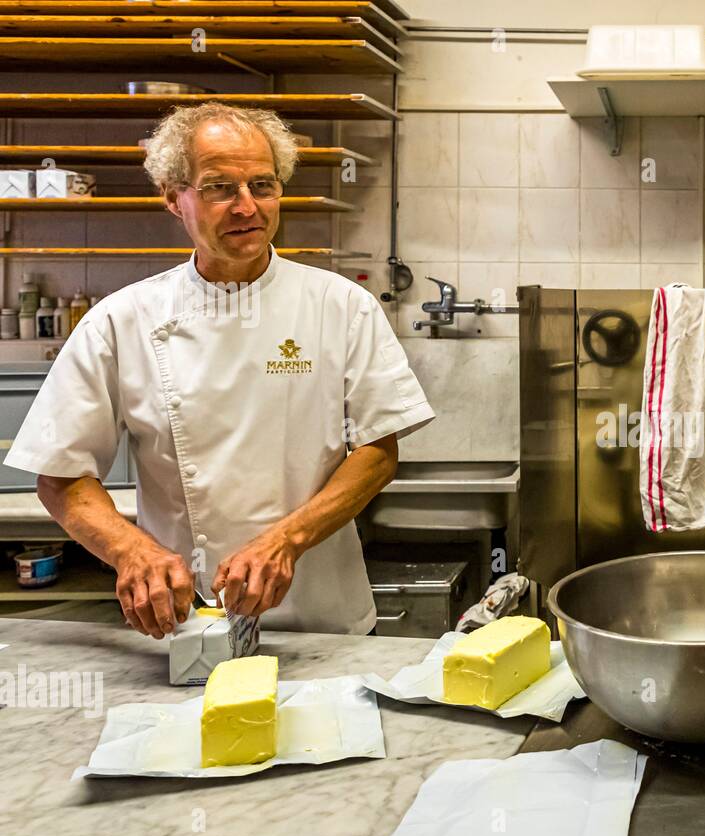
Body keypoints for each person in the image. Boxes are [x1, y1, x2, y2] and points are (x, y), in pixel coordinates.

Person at [4, 102, 434, 637]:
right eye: (219, 187)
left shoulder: (342, 305)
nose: (246, 206)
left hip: (323, 618)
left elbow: (376, 452)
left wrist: (286, 541)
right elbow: (61, 475)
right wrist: (131, 550)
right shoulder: (121, 319)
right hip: (186, 623)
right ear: (172, 196)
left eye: (263, 184)